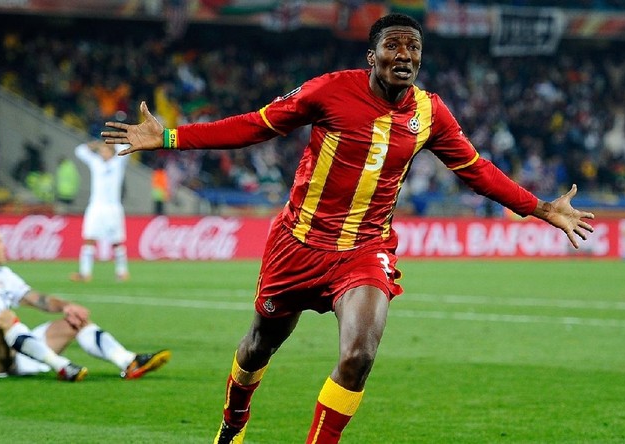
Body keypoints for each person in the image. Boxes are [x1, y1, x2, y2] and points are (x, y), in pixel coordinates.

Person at [102, 13, 595, 444]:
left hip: (365, 250)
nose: (403, 55)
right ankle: (233, 421)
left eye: (413, 48)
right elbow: (255, 125)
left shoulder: (430, 113)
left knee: (359, 355)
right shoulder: (330, 90)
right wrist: (169, 135)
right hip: (296, 245)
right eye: (393, 46)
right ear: (372, 57)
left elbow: (476, 170)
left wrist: (540, 208)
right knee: (257, 347)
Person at [0, 224, 171, 382]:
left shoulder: (4, 275)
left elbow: (37, 299)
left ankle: (128, 361)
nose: (4, 246)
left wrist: (67, 306)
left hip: (19, 353)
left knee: (75, 321)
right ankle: (61, 366)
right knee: (4, 317)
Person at [70, 140, 129, 282]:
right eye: (101, 151)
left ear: (111, 151)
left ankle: (122, 272)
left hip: (113, 207)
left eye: (106, 151)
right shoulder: (95, 162)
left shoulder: (118, 162)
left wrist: (112, 143)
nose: (103, 153)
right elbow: (79, 150)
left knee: (116, 242)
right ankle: (85, 273)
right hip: (96, 206)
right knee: (89, 238)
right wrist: (95, 144)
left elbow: (126, 147)